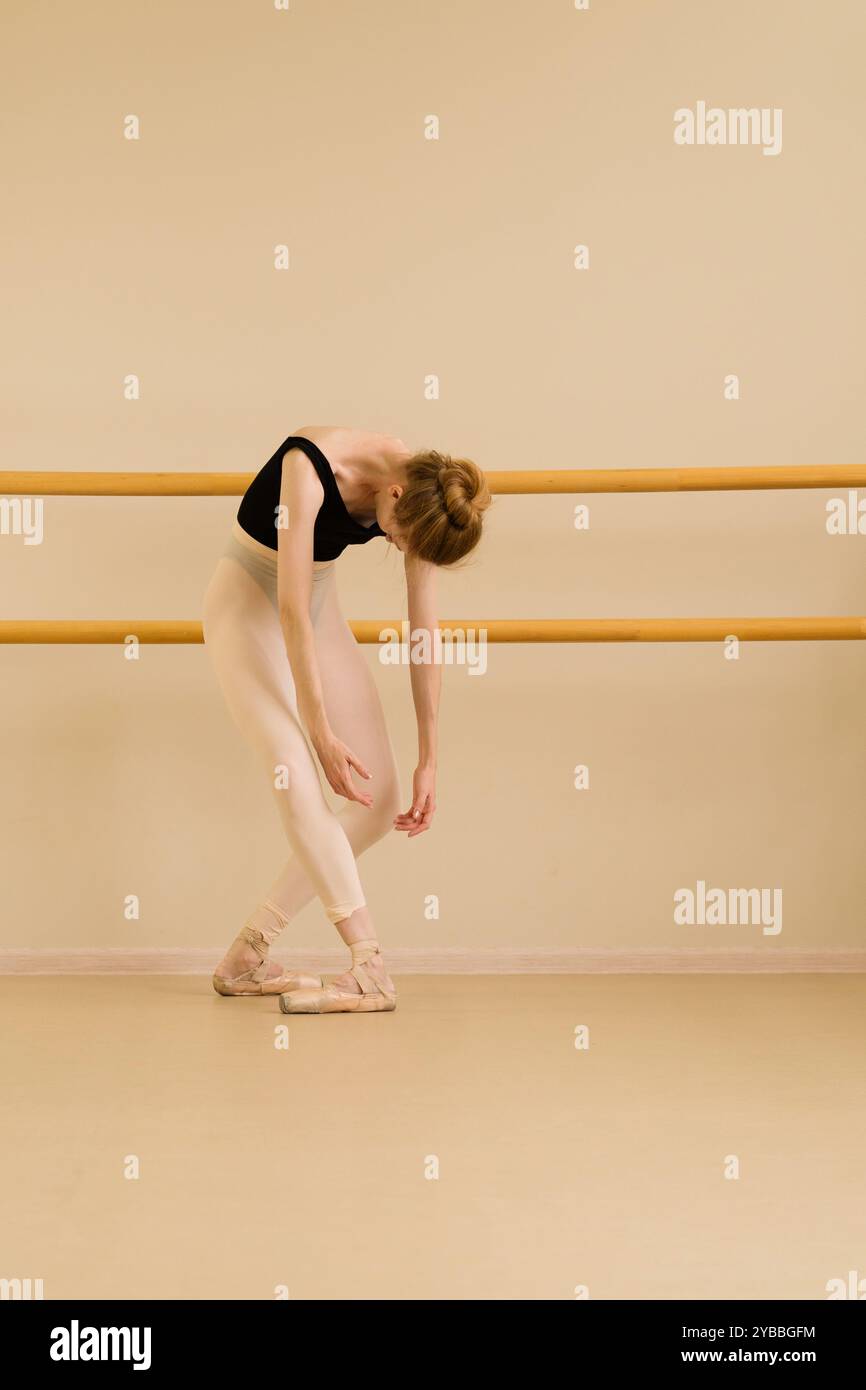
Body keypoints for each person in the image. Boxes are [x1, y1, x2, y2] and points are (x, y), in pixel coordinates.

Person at [202, 426, 490, 1013]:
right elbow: (287, 608)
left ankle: (247, 956)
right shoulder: (307, 470)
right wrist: (319, 733)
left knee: (379, 799)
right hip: (246, 608)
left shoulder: (424, 490)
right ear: (391, 497)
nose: (398, 548)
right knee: (297, 776)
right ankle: (370, 967)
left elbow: (422, 633)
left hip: (317, 606)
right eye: (398, 538)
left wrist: (429, 758)